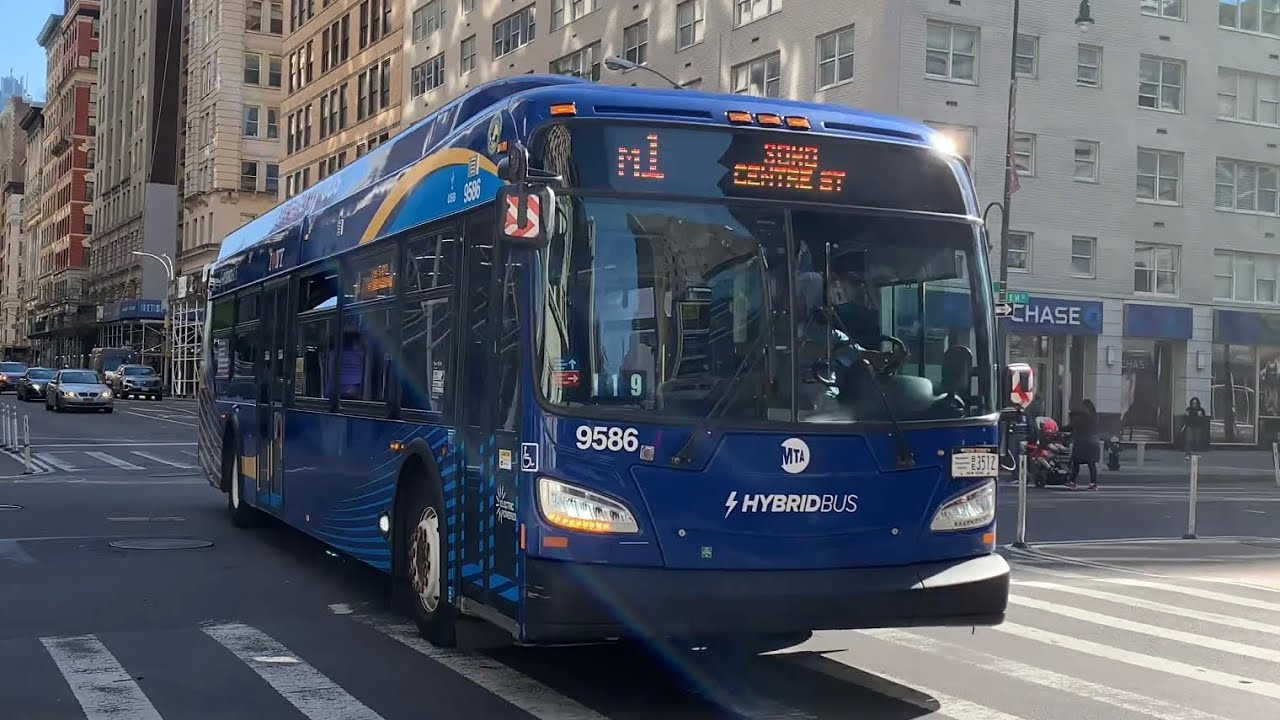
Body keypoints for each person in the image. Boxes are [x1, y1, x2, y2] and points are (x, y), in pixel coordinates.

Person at [1063, 399, 1100, 490]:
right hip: (1093, 442)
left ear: (1086, 408)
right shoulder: (1095, 417)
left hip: (1082, 442)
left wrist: (1059, 429)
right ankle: (1093, 483)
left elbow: (1072, 427)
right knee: (1091, 463)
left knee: (1076, 462)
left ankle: (1072, 481)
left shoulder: (1082, 418)